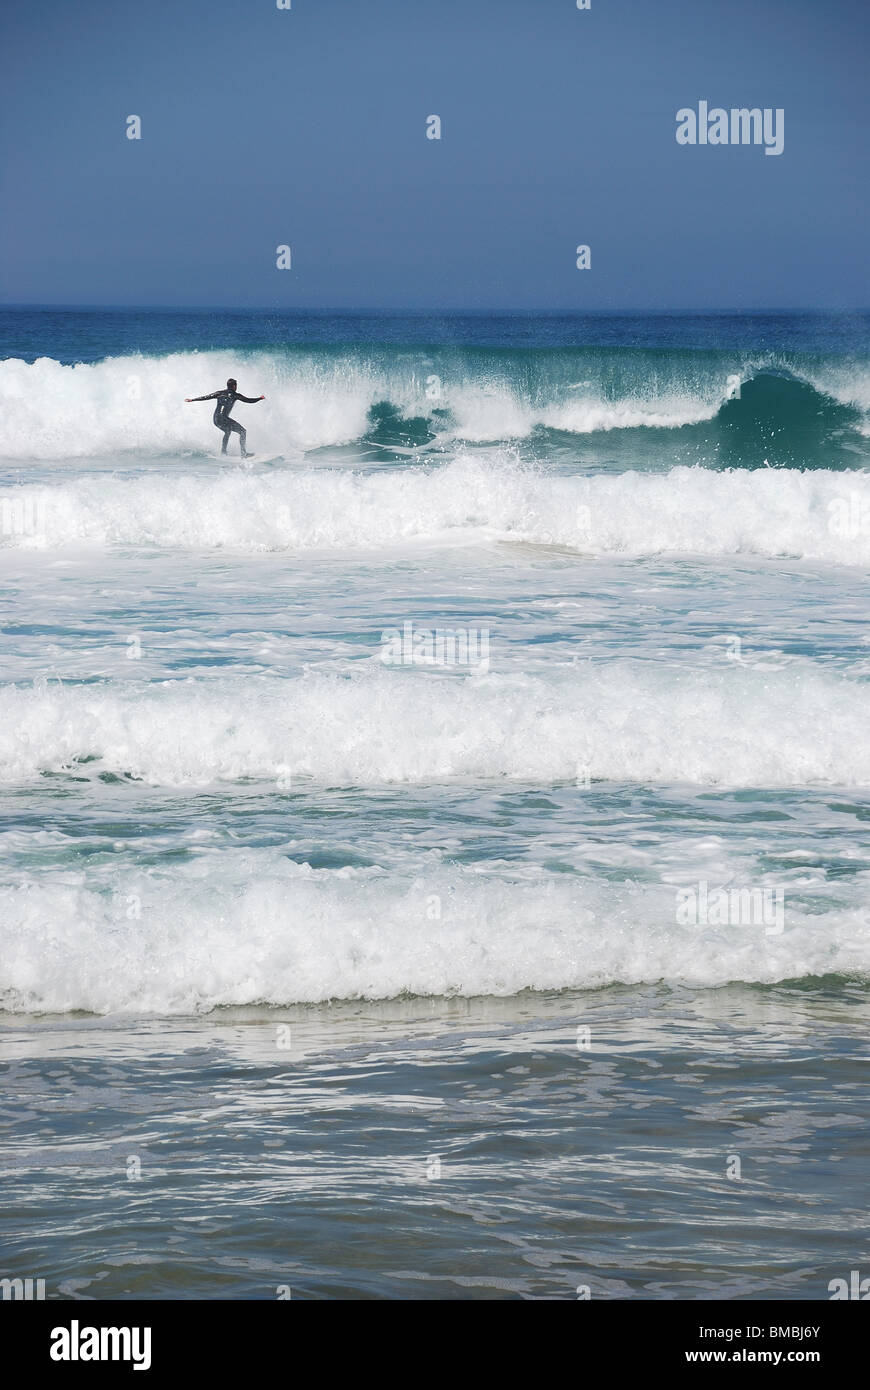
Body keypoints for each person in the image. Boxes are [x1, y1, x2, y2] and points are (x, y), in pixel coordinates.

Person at [185, 378, 265, 457]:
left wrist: (192, 400)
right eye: (236, 385)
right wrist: (259, 398)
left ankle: (223, 452)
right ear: (234, 386)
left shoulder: (219, 393)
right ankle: (243, 454)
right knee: (243, 431)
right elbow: (249, 400)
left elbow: (206, 397)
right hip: (224, 418)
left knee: (227, 431)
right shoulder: (236, 395)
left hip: (216, 419)